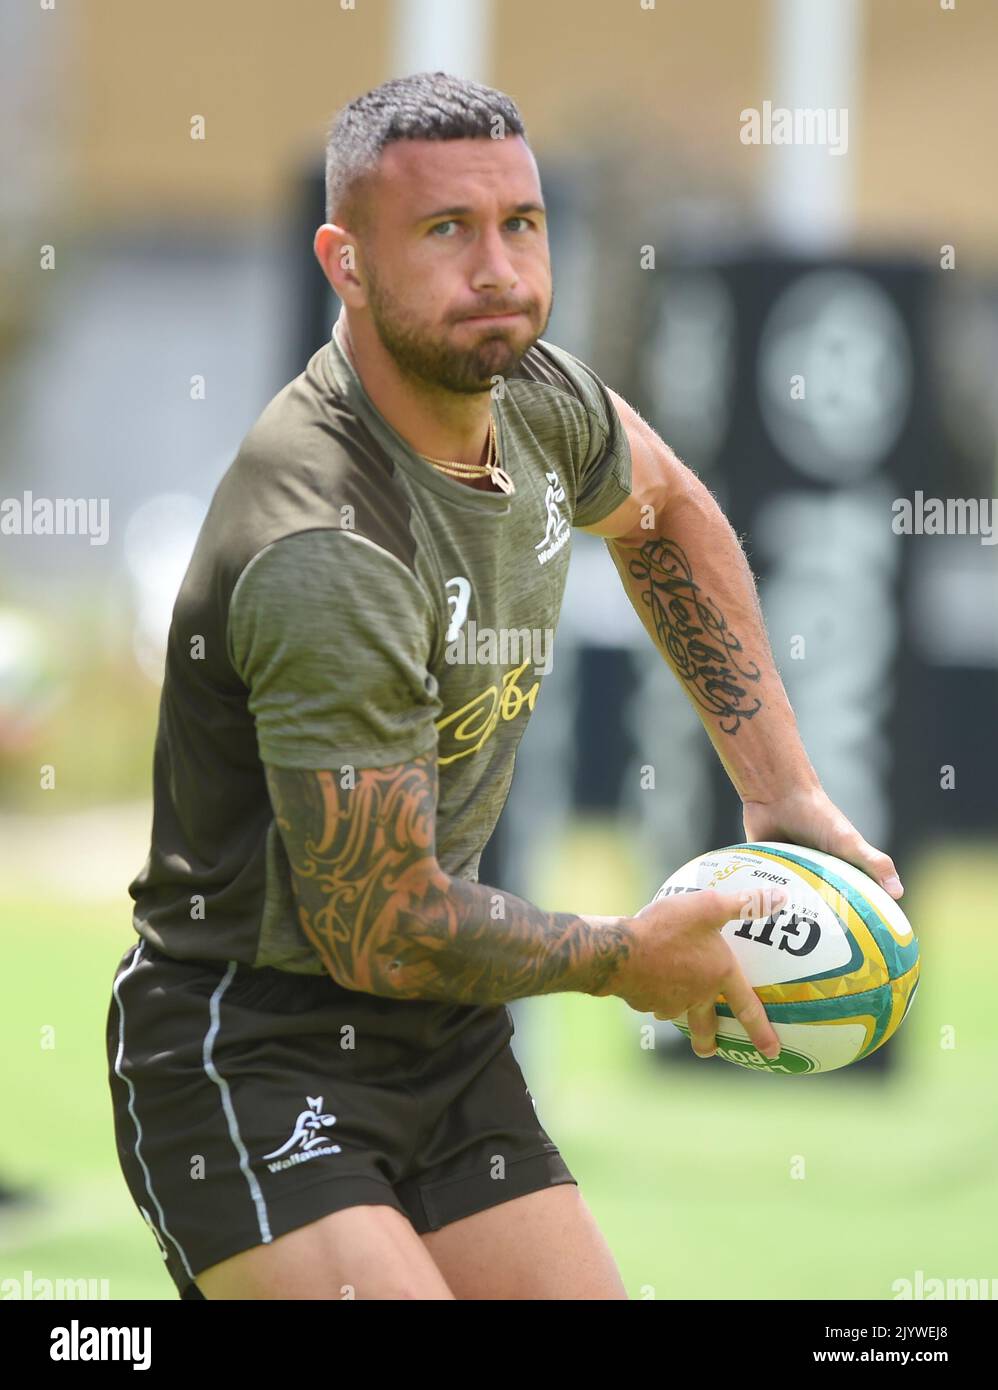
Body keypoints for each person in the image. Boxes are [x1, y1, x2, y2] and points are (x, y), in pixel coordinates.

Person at [106, 71, 904, 1301]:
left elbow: (664, 508)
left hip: (440, 1032)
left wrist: (779, 787)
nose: (498, 270)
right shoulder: (328, 542)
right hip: (250, 1049)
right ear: (346, 260)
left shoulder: (530, 395)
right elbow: (381, 925)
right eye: (444, 231)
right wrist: (625, 956)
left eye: (519, 224)